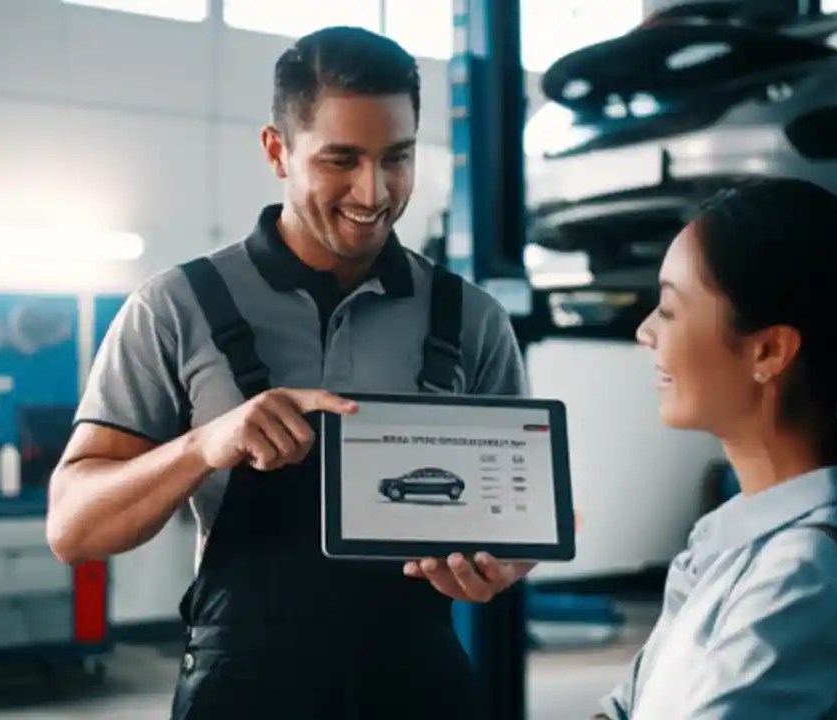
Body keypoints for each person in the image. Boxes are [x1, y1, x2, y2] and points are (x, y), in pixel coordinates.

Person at [45, 26, 533, 719]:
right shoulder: (176, 308)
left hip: (419, 688)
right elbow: (73, 529)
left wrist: (503, 565)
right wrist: (204, 445)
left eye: (396, 157)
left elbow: (520, 515)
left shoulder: (471, 320)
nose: (374, 191)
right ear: (277, 150)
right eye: (341, 160)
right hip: (245, 693)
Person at [597, 178, 837, 719]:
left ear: (770, 351)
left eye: (670, 309)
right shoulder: (733, 540)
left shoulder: (804, 573)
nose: (645, 331)